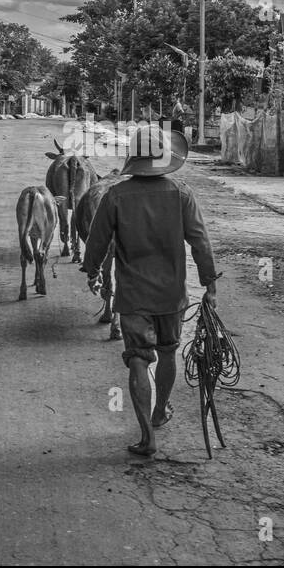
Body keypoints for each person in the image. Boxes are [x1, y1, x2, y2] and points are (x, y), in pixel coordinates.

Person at [81, 122, 218, 457]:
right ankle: (160, 411)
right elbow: (200, 241)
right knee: (169, 351)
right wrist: (209, 284)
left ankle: (147, 438)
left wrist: (93, 271)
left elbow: (97, 241)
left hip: (132, 295)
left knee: (139, 359)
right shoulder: (181, 193)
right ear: (163, 158)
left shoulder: (115, 195)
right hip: (171, 294)